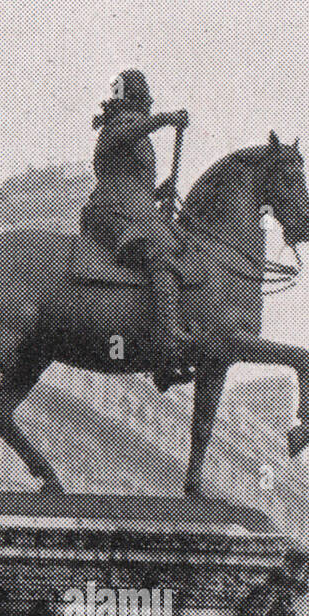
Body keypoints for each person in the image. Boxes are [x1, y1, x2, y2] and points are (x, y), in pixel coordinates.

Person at [81, 70, 193, 391]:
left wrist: (161, 192)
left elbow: (135, 186)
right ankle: (168, 337)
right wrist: (165, 120)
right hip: (111, 212)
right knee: (161, 252)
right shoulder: (119, 125)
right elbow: (124, 142)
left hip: (128, 209)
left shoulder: (132, 129)